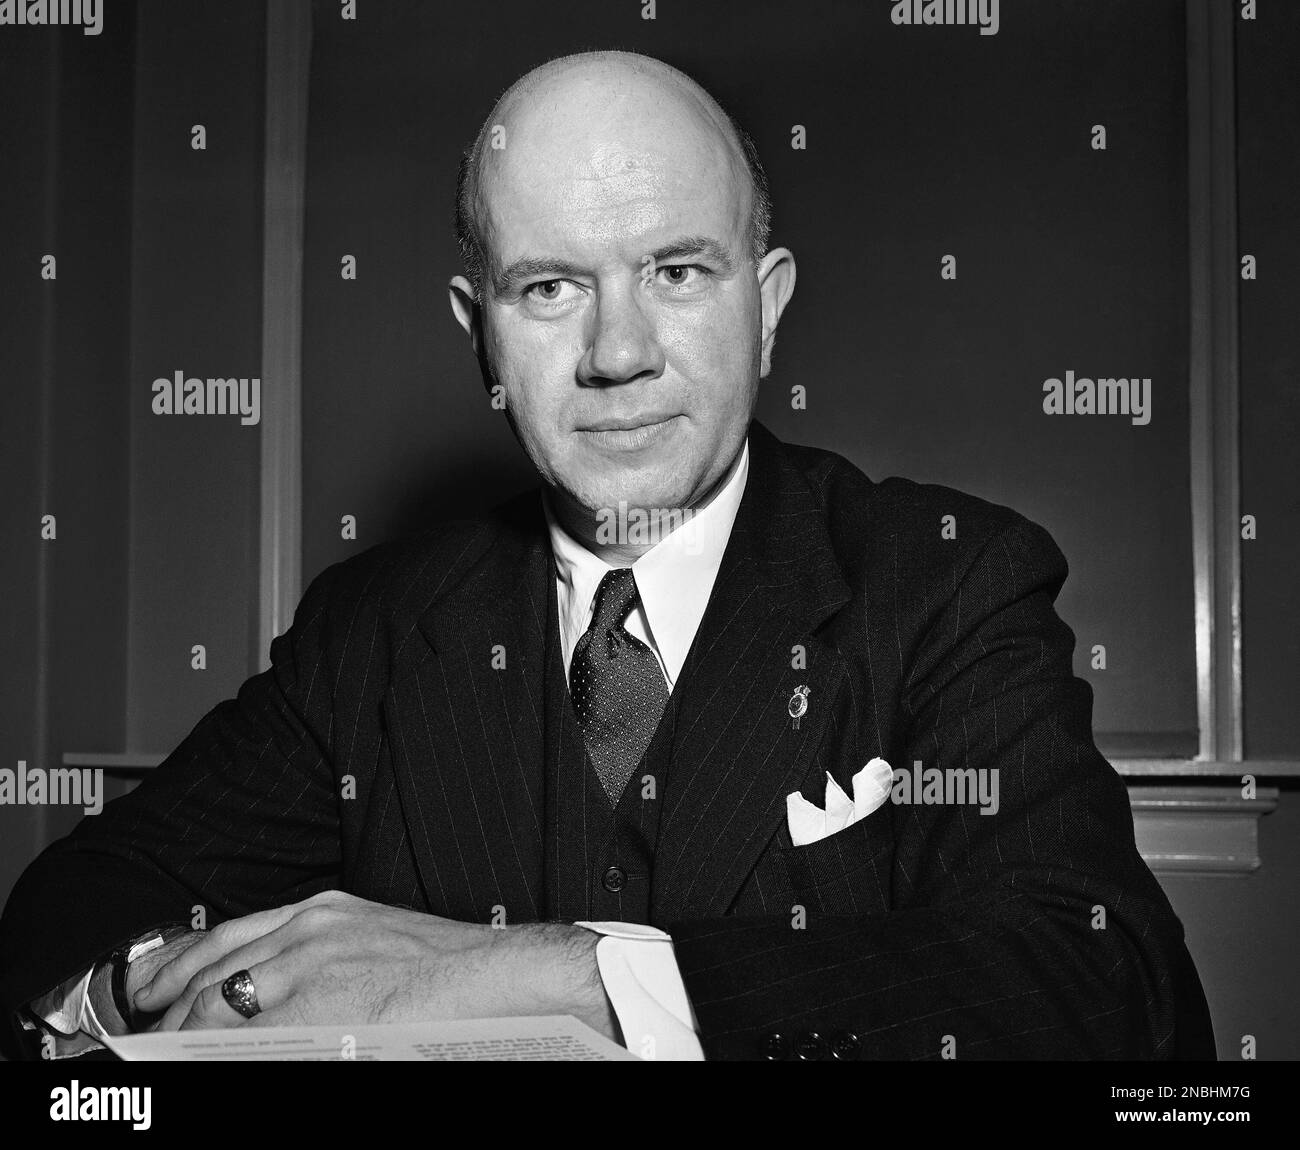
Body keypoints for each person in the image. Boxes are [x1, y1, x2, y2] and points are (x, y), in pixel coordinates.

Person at [0, 49, 1214, 1061]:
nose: (617, 351)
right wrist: (186, 994)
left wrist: (529, 975)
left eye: (676, 271)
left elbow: (1106, 987)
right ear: (480, 335)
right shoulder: (369, 630)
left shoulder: (946, 579)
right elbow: (71, 906)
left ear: (768, 302)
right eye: (549, 288)